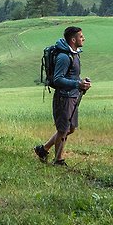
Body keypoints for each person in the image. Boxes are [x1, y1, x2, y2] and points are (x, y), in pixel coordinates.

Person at [35, 25, 90, 166]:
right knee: (63, 130)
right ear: (73, 39)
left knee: (70, 129)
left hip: (72, 96)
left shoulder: (75, 54)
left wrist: (82, 83)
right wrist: (77, 84)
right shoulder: (64, 57)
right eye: (80, 36)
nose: (83, 38)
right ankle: (58, 160)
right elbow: (57, 79)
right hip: (64, 97)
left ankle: (43, 149)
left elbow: (72, 75)